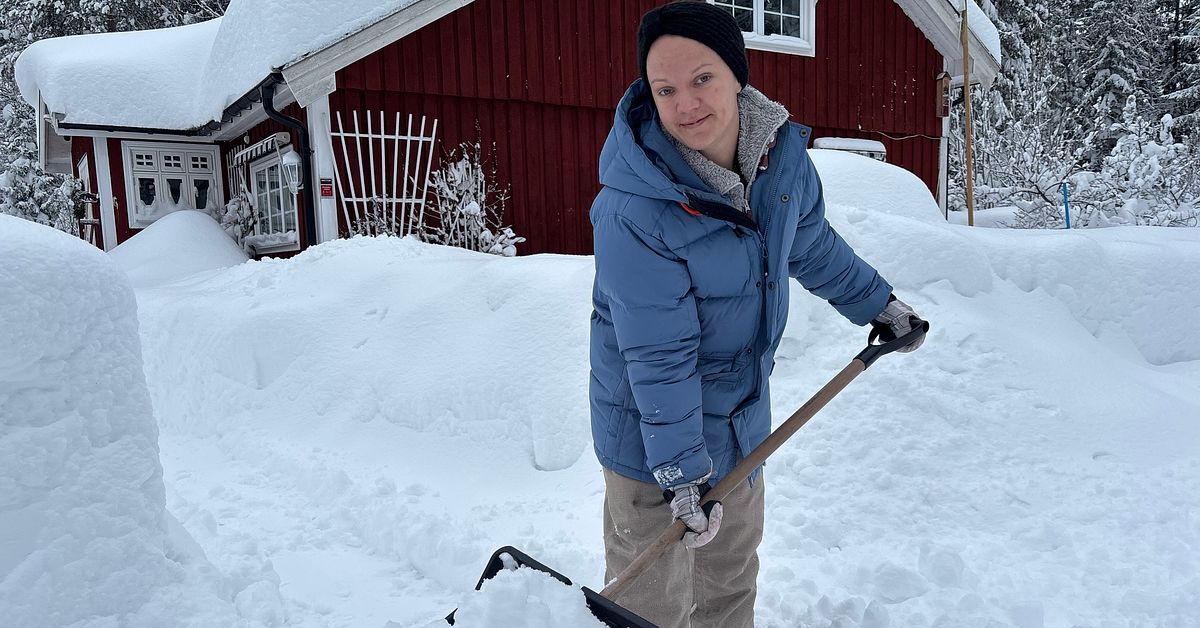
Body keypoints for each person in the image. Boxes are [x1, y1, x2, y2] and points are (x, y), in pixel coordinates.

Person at [587, 2, 926, 627]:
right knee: (650, 609)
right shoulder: (634, 209)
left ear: (737, 75)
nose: (686, 104)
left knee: (728, 588)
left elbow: (811, 246)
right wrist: (680, 475)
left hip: (740, 430)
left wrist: (879, 304)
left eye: (703, 78)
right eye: (665, 89)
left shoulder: (780, 162)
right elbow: (659, 356)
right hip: (651, 443)